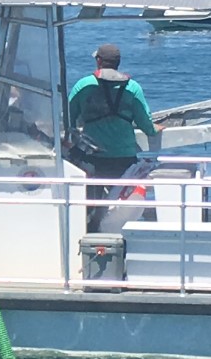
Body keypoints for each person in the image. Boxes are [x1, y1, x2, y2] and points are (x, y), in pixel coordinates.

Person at [67, 43, 160, 231]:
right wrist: (155, 128)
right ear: (118, 63)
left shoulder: (83, 85)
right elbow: (147, 126)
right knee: (121, 201)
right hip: (124, 157)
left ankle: (89, 233)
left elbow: (68, 118)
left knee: (90, 201)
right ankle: (117, 234)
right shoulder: (133, 88)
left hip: (92, 158)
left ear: (98, 61)